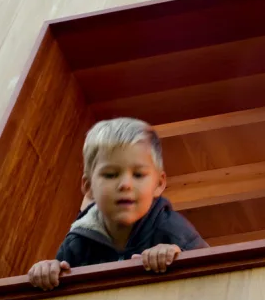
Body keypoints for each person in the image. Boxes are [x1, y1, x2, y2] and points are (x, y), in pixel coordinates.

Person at [28, 118, 207, 290]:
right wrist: (48, 270)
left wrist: (179, 257)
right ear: (89, 186)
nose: (125, 185)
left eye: (138, 175)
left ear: (159, 184)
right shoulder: (78, 242)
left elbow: (212, 276)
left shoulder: (173, 231)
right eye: (111, 175)